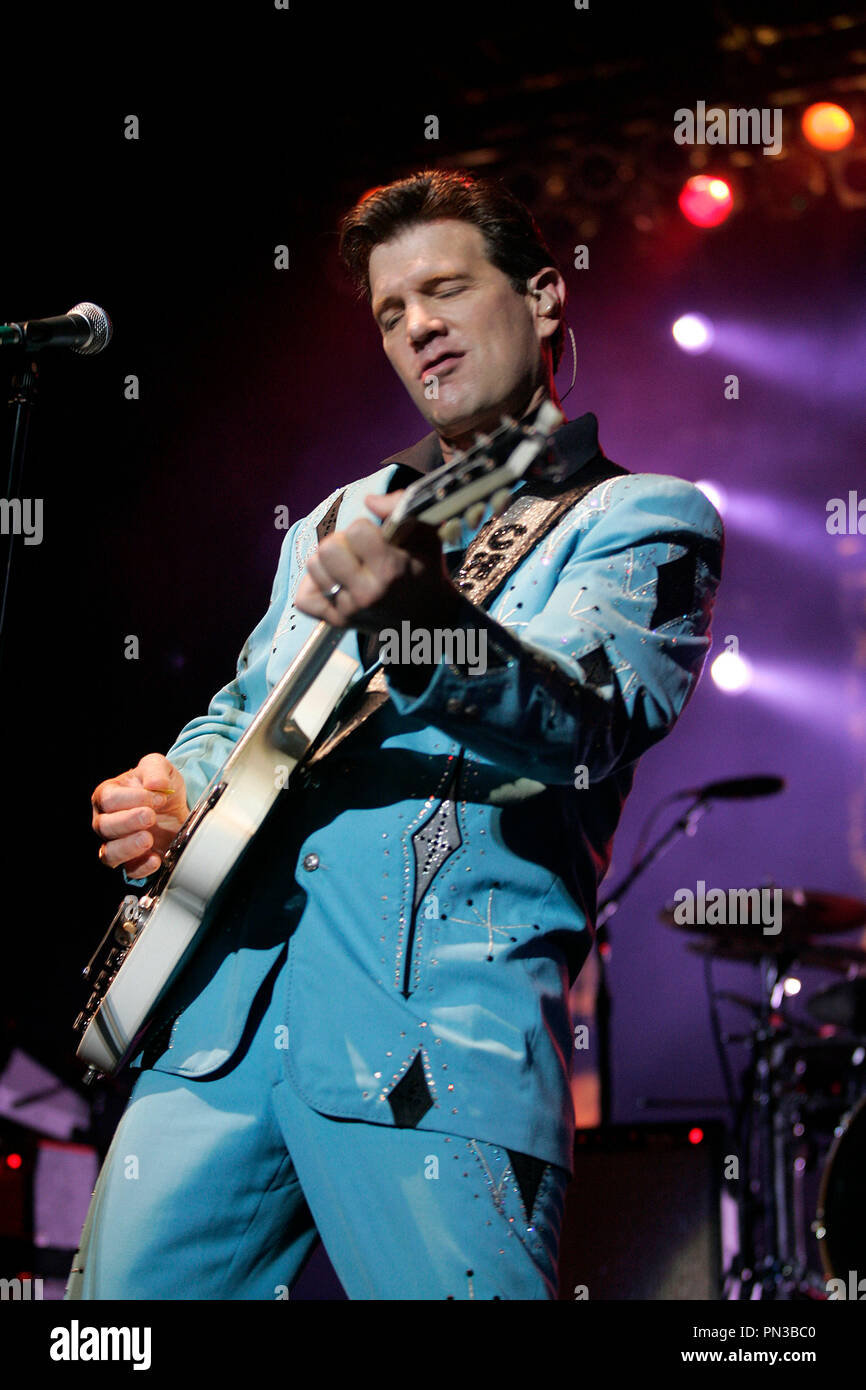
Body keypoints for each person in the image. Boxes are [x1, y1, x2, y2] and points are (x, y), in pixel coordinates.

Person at [67, 168, 723, 1301]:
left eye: (444, 289)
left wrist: (421, 626)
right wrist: (176, 782)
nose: (416, 324)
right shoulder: (336, 517)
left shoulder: (641, 515)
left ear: (544, 298)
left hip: (430, 1048)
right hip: (220, 1028)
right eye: (387, 311)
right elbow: (245, 713)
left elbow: (588, 718)